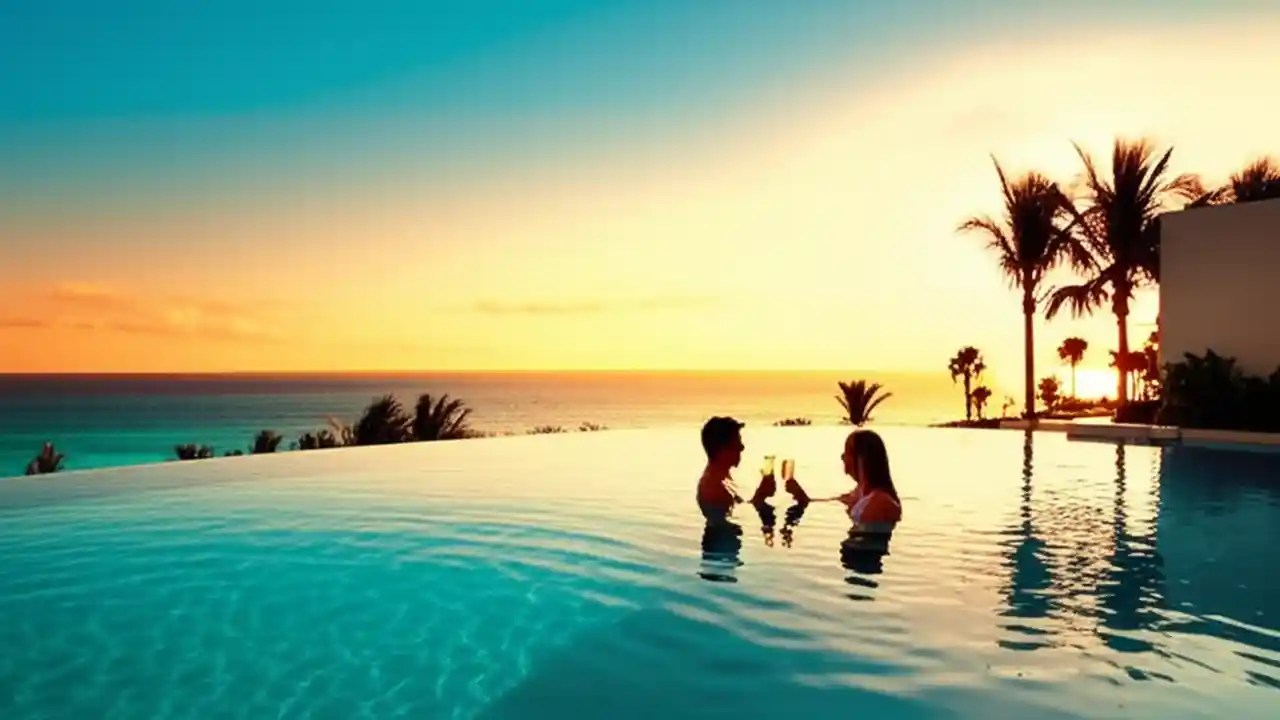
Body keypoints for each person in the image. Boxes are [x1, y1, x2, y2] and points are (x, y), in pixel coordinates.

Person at [785, 429, 902, 533]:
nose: (842, 457)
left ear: (860, 458)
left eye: (847, 451)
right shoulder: (859, 493)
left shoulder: (880, 503)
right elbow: (834, 502)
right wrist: (803, 498)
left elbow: (869, 541)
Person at [696, 416, 774, 520]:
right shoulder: (712, 488)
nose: (742, 447)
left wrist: (761, 493)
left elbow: (739, 508)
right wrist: (761, 496)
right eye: (737, 441)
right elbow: (725, 524)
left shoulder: (723, 479)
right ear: (722, 449)